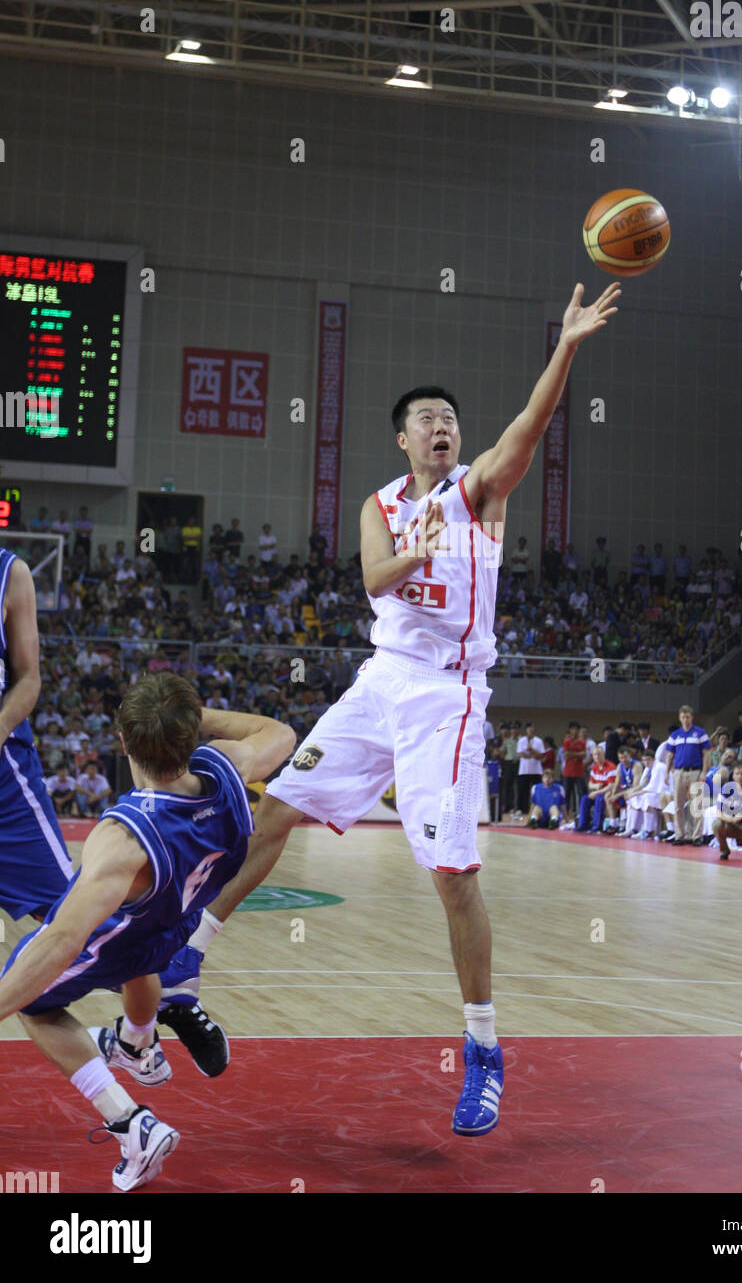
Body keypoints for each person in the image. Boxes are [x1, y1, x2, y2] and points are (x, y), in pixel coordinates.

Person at [155, 280, 621, 1138]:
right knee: (273, 813)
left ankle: (483, 1050)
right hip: (382, 681)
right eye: (427, 418)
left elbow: (530, 423)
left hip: (448, 692)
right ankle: (187, 963)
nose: (442, 426)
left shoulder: (480, 492)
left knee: (453, 876)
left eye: (450, 416)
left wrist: (565, 348)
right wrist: (416, 550)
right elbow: (373, 578)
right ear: (402, 437)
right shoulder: (383, 504)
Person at [0, 672, 295, 1191]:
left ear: (123, 742)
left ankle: (129, 1122)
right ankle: (137, 1044)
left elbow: (60, 942)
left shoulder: (122, 838)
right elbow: (281, 734)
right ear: (192, 734)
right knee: (146, 958)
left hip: (121, 938)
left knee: (33, 1004)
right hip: (175, 925)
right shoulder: (227, 771)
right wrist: (186, 717)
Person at [0, 549, 75, 921]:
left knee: (70, 918)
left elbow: (28, 678)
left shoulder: (10, 573)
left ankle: (169, 974)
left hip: (3, 774)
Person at [664, 705, 711, 845]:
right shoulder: (675, 735)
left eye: (688, 717)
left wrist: (704, 772)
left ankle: (697, 836)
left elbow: (706, 754)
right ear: (680, 718)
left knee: (696, 804)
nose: (686, 720)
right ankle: (680, 835)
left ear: (692, 717)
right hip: (679, 772)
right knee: (678, 805)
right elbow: (669, 755)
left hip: (695, 771)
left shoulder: (700, 733)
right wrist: (667, 773)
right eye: (683, 717)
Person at [516, 721, 544, 814]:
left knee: (537, 790)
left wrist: (532, 750)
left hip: (536, 770)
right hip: (524, 770)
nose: (531, 731)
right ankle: (522, 809)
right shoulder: (521, 740)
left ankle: (538, 808)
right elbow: (521, 754)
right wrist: (533, 755)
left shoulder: (538, 741)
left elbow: (541, 755)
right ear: (526, 730)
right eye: (529, 729)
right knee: (523, 790)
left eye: (532, 729)